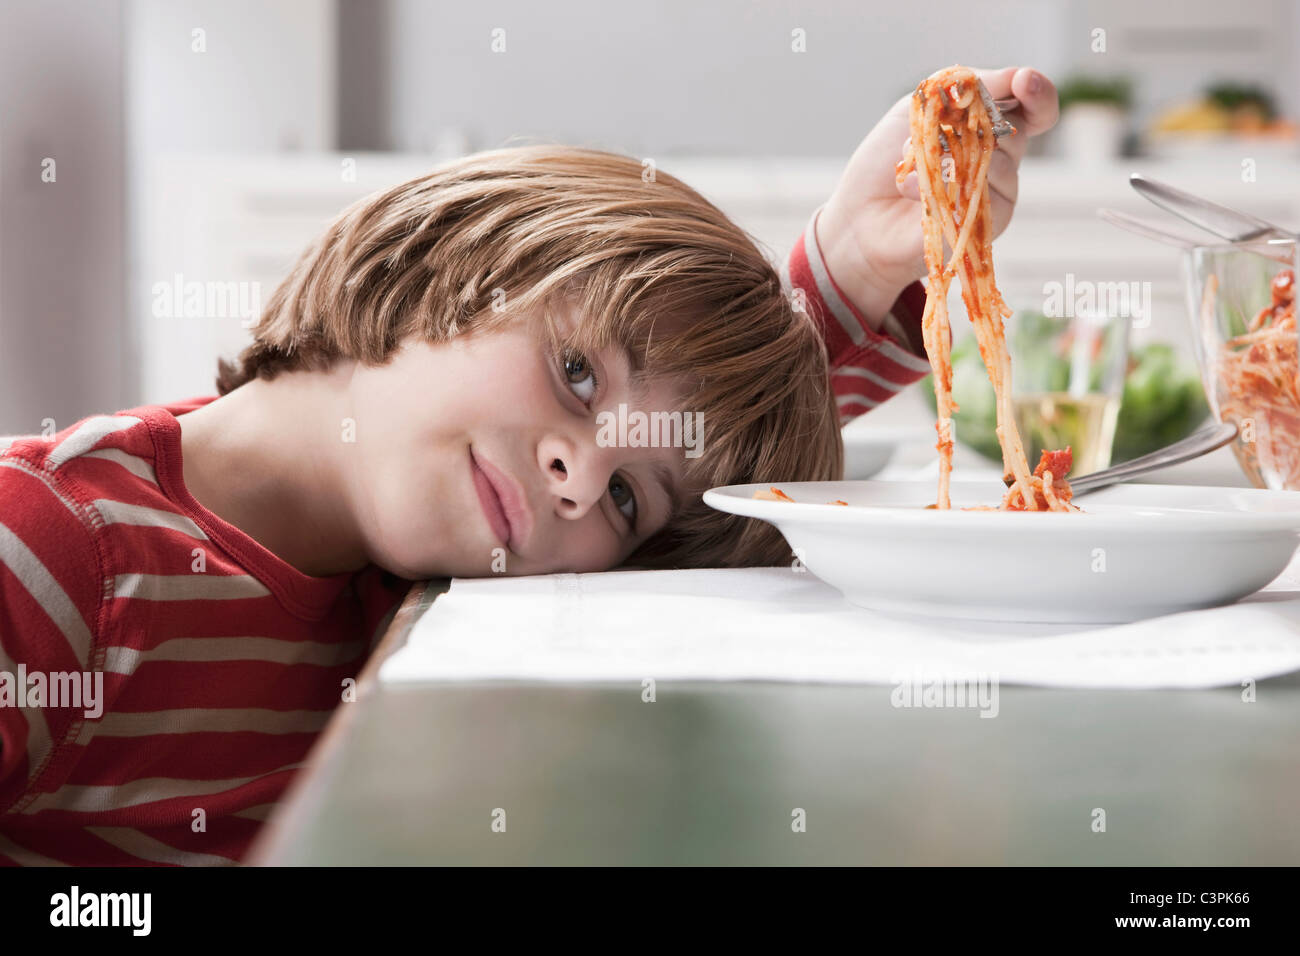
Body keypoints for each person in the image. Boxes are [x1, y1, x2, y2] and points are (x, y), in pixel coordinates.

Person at [0, 66, 1057, 865]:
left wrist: (861, 260)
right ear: (450, 260)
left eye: (628, 501)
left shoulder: (415, 533)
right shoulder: (46, 554)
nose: (581, 478)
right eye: (576, 375)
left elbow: (702, 438)